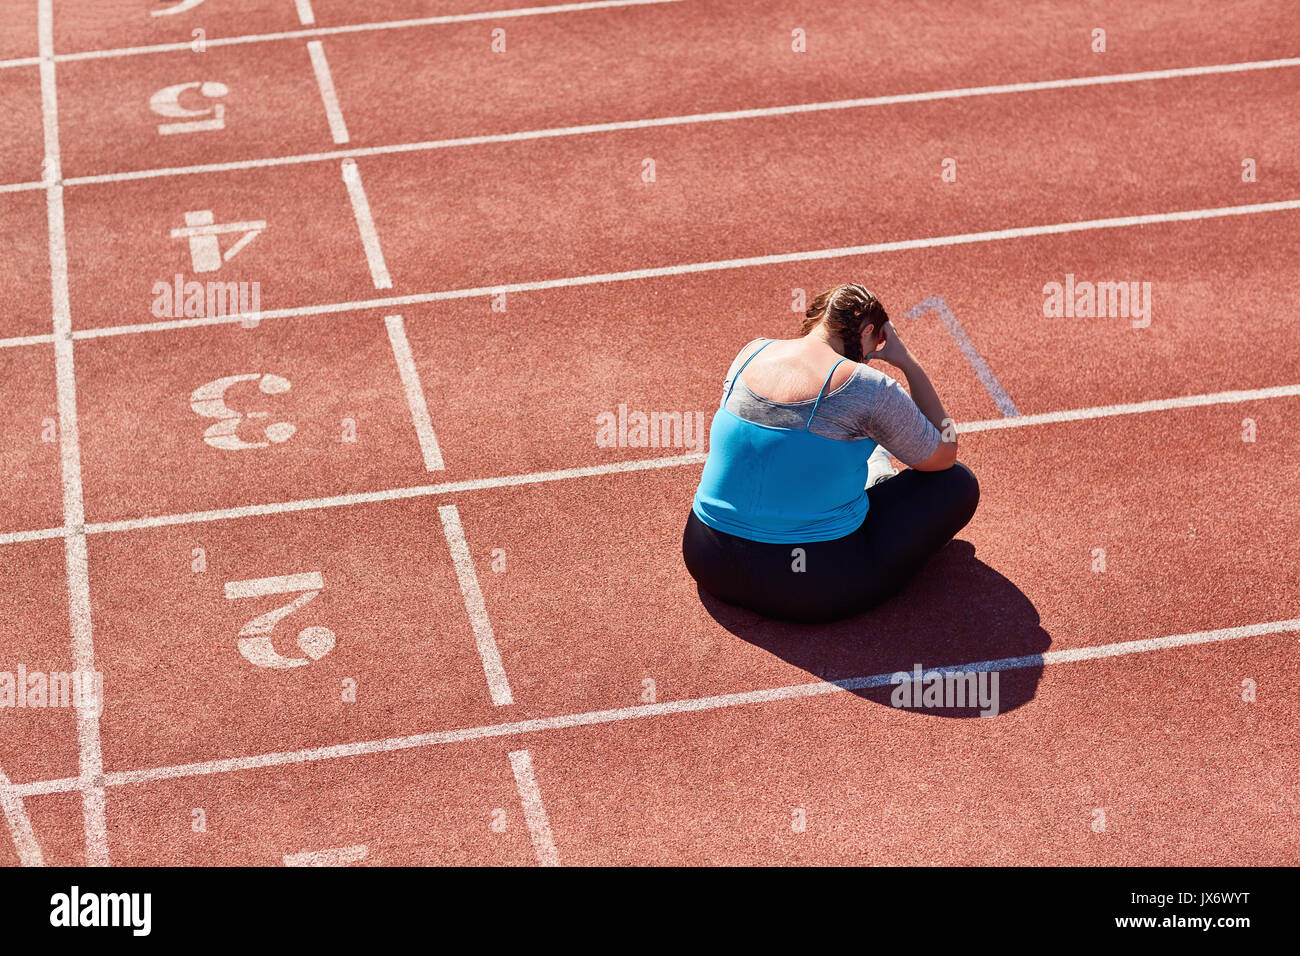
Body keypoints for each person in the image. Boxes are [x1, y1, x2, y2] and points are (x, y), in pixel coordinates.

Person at [682, 282, 979, 623]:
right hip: (810, 583)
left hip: (709, 558)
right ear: (868, 331)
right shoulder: (869, 386)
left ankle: (863, 476)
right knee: (957, 483)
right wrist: (908, 363)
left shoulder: (750, 353)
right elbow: (945, 450)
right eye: (875, 343)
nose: (869, 355)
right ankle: (873, 478)